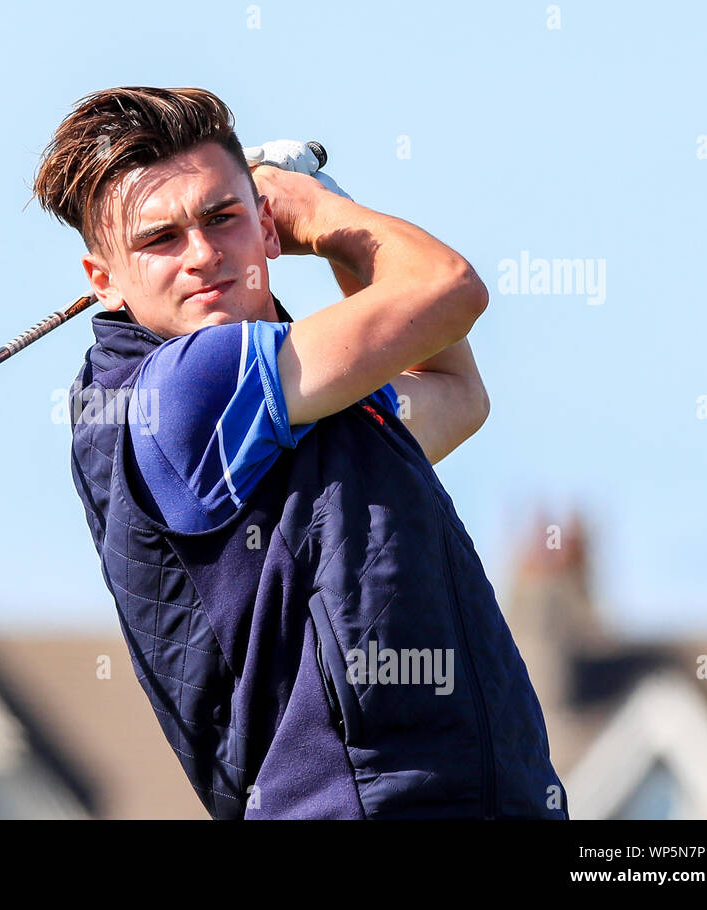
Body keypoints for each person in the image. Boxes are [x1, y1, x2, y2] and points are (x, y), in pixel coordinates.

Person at [32, 86, 567, 819]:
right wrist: (324, 216)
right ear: (105, 284)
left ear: (264, 231)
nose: (202, 255)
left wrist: (326, 216)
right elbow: (447, 289)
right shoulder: (190, 388)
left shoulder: (303, 400)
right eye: (160, 239)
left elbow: (451, 388)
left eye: (223, 219)